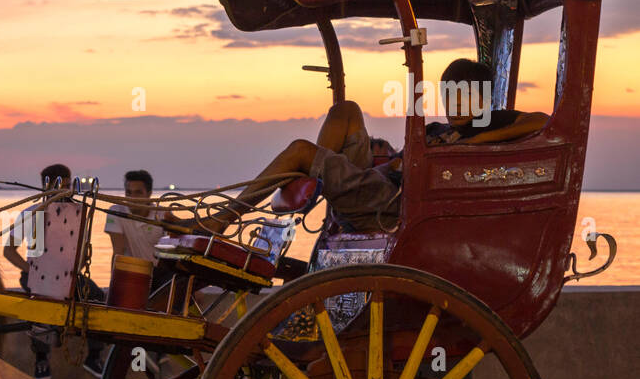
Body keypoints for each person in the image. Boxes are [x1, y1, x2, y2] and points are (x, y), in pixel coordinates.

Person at [222, 58, 549, 233]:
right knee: (346, 110)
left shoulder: (489, 123)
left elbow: (541, 121)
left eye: (465, 94)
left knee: (300, 150)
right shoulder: (436, 128)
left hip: (392, 205)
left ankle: (222, 219)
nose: (455, 102)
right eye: (449, 93)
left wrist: (478, 140)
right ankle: (316, 183)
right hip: (379, 182)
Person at [3, 163, 106, 379]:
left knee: (98, 298)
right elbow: (9, 251)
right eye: (58, 187)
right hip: (34, 272)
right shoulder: (30, 213)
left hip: (69, 275)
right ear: (45, 188)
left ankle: (94, 355)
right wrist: (30, 270)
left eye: (67, 186)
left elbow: (81, 249)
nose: (64, 192)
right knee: (39, 307)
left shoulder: (78, 214)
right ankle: (41, 359)